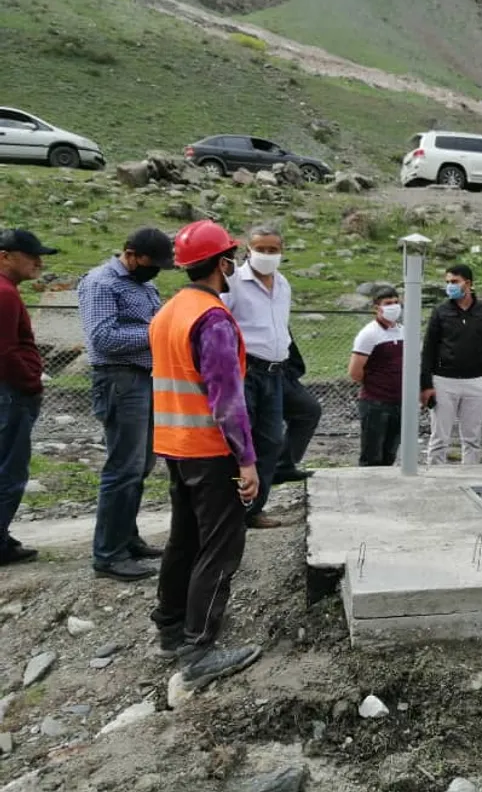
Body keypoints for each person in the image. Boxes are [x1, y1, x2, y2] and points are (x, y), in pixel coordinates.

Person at [148, 219, 261, 690]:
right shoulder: (212, 318)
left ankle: (171, 627)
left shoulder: (169, 311)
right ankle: (200, 649)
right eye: (230, 257)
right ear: (221, 263)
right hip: (212, 451)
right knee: (221, 545)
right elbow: (226, 400)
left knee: (185, 539)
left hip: (175, 446)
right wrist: (246, 460)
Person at [78, 227, 175, 582]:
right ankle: (108, 554)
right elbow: (103, 337)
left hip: (146, 378)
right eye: (152, 263)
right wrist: (157, 332)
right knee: (123, 467)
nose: (156, 271)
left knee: (141, 464)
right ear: (131, 254)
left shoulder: (144, 285)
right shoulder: (101, 283)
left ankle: (127, 537)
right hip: (120, 380)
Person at [221, 225, 291, 529]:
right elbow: (220, 321)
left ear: (282, 251)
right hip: (246, 370)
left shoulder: (284, 284)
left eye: (273, 250)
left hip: (275, 373)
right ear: (248, 250)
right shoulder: (234, 282)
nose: (266, 254)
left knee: (271, 441)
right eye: (260, 249)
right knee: (240, 441)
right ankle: (231, 509)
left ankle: (254, 508)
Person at [0, 229, 57, 566]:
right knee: (10, 469)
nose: (39, 262)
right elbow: (5, 351)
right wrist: (31, 382)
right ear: (5, 256)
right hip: (12, 393)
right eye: (31, 255)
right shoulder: (5, 293)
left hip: (10, 391)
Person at [420, 265, 482, 465]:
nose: (450, 286)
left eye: (454, 281)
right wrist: (426, 384)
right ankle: (435, 476)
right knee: (439, 437)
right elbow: (429, 349)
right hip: (444, 381)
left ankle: (469, 475)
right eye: (447, 282)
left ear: (467, 283)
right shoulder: (440, 311)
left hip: (475, 381)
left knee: (472, 439)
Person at [349, 286, 406, 467]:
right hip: (375, 403)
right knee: (372, 454)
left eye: (396, 302)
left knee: (390, 453)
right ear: (377, 308)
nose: (394, 307)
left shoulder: (404, 331)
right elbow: (355, 371)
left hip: (400, 402)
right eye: (388, 303)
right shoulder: (369, 334)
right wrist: (377, 385)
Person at [273, 337, 320, 484]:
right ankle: (241, 476)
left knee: (308, 410)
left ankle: (283, 467)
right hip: (249, 369)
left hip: (280, 369)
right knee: (262, 425)